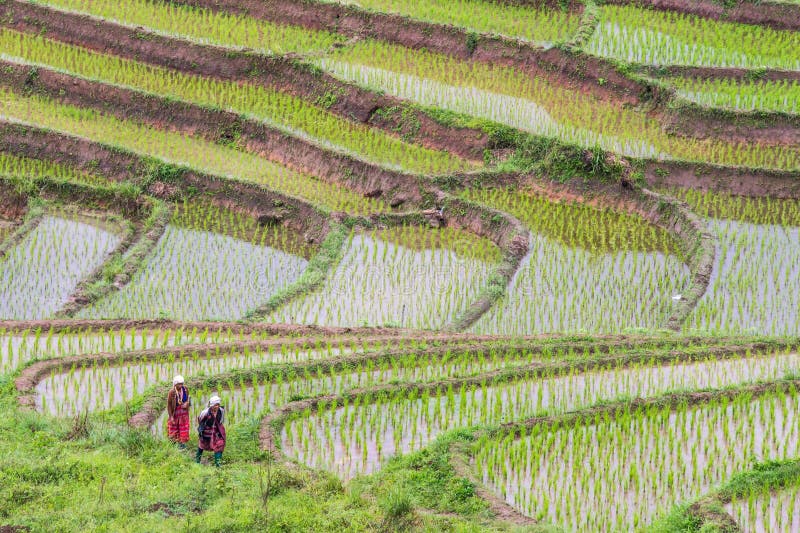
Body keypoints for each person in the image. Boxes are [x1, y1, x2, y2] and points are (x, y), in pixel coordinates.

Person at [196, 395, 226, 467]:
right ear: (211, 405)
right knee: (202, 445)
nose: (217, 407)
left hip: (216, 431)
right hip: (207, 431)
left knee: (220, 444)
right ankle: (197, 461)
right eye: (215, 405)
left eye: (218, 405)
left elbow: (221, 420)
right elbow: (200, 420)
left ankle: (218, 464)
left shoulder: (221, 411)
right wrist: (203, 429)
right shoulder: (205, 412)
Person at [167, 375, 190, 448]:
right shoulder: (172, 392)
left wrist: (187, 404)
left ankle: (182, 444)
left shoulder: (185, 389)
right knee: (174, 428)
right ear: (175, 384)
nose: (180, 385)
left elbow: (188, 400)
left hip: (184, 413)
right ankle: (172, 445)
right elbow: (169, 405)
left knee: (183, 429)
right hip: (175, 413)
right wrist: (171, 417)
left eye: (181, 384)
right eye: (178, 384)